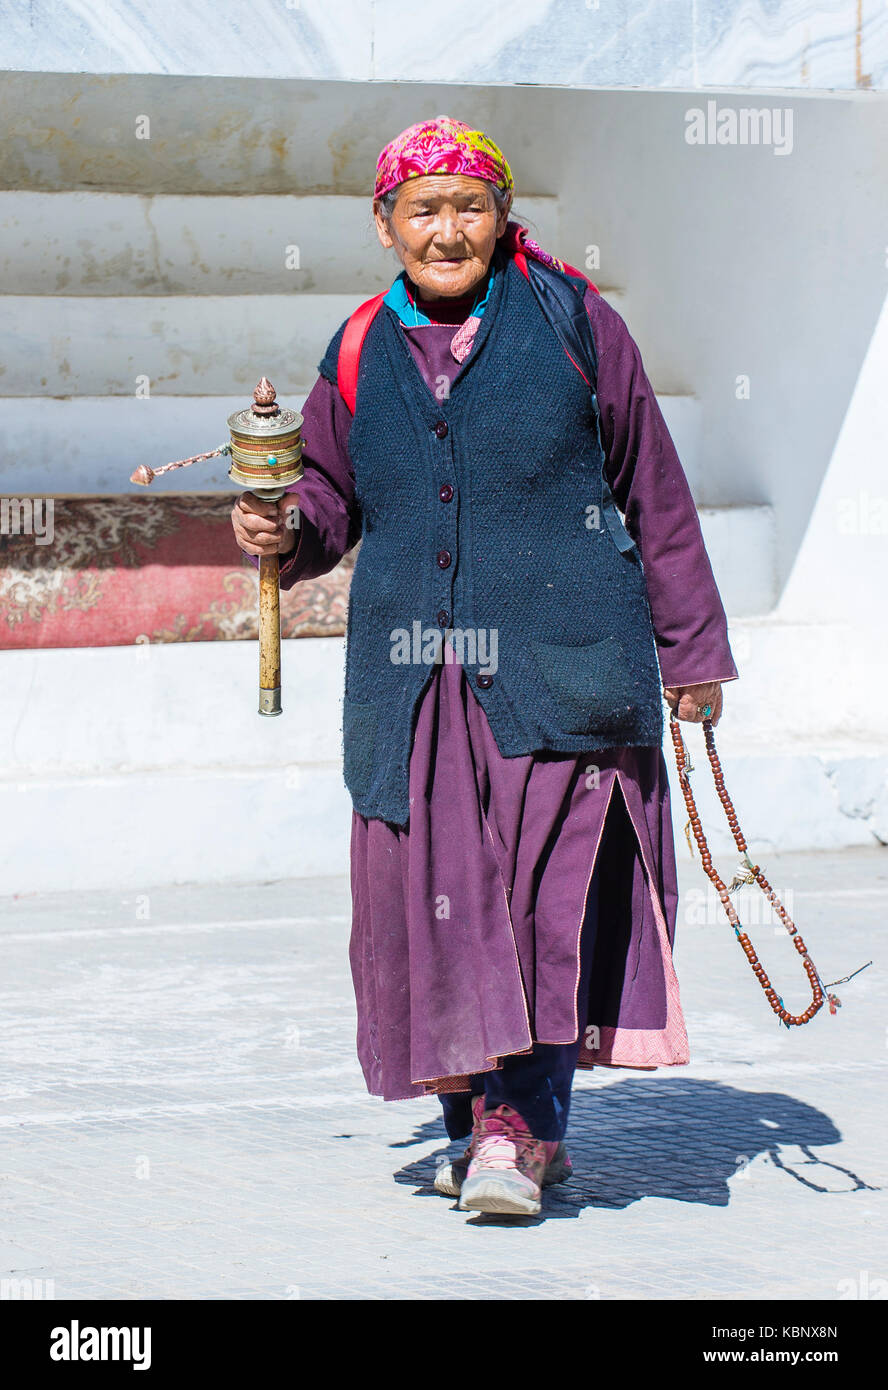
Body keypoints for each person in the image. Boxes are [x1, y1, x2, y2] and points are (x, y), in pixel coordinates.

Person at [231, 115, 738, 1217]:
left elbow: (653, 488)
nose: (447, 228)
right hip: (415, 687)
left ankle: (521, 1127)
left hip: (565, 668)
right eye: (424, 209)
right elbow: (328, 496)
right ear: (385, 224)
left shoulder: (574, 322)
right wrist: (285, 531)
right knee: (442, 904)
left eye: (469, 204)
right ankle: (482, 1127)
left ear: (504, 215)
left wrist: (693, 649)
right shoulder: (360, 345)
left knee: (543, 903)